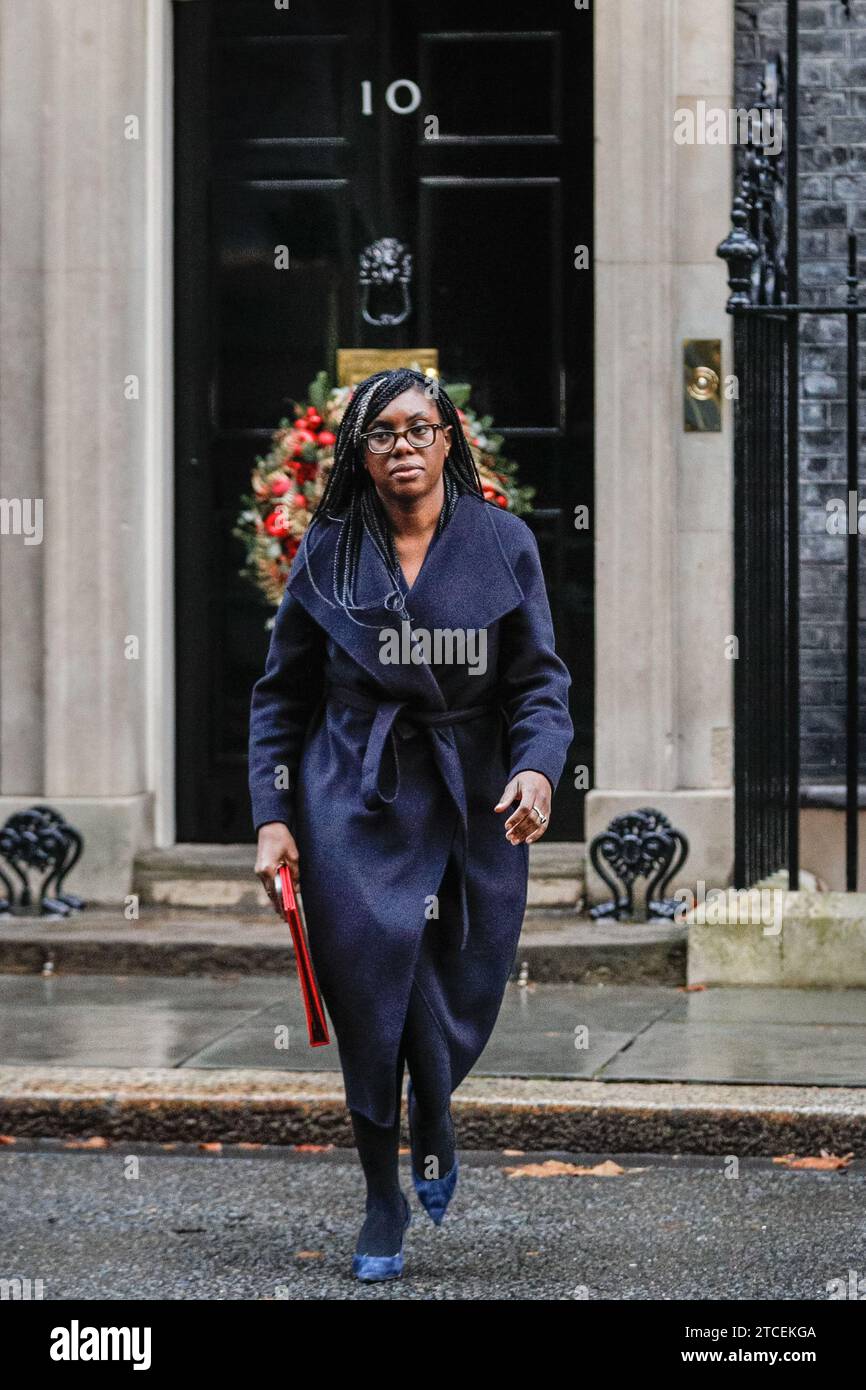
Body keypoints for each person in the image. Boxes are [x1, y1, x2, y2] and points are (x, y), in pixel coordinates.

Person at [248, 367, 573, 1281]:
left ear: (447, 441)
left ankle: (433, 1103)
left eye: (417, 428)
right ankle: (381, 1197)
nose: (402, 445)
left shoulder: (504, 543)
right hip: (355, 789)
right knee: (366, 990)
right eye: (382, 432)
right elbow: (281, 696)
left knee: (462, 974)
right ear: (361, 449)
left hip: (471, 788)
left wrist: (537, 772)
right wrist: (274, 816)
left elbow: (539, 685)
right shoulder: (328, 551)